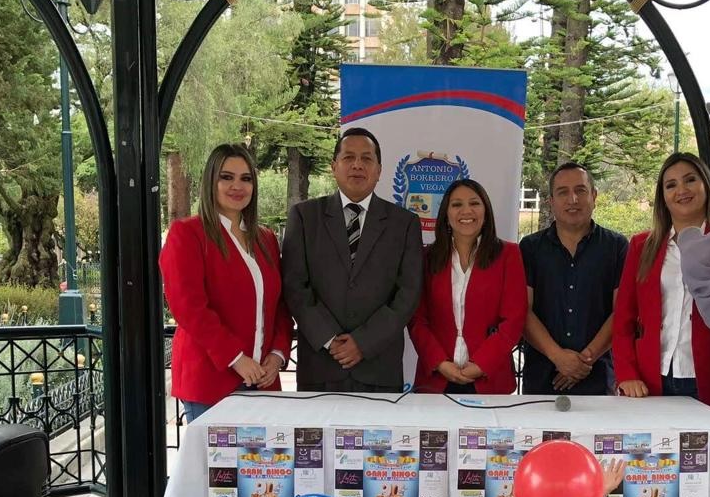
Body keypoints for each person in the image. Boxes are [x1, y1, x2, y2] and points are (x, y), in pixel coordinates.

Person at [282, 128, 423, 392]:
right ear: (334, 166)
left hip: (379, 369)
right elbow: (295, 287)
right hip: (321, 366)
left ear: (379, 170)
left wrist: (364, 342)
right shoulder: (304, 217)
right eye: (348, 157)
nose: (357, 165)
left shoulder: (404, 224)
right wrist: (330, 340)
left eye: (367, 159)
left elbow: (408, 293)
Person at [161, 143, 291, 424]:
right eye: (226, 177)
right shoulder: (188, 234)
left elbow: (280, 304)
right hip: (212, 381)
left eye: (246, 178)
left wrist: (277, 355)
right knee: (216, 469)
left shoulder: (265, 239)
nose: (237, 186)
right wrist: (236, 358)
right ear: (211, 181)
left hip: (263, 380)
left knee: (264, 468)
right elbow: (190, 308)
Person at [612, 153, 710, 406]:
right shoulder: (642, 246)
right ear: (663, 198)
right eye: (671, 185)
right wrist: (626, 374)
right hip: (649, 381)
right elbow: (624, 317)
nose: (682, 190)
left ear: (706, 185)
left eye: (690, 180)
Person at [407, 178, 527, 394]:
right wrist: (440, 363)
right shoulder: (426, 258)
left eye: (474, 203)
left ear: (486, 211)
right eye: (456, 205)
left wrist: (481, 364)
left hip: (489, 379)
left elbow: (514, 319)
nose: (466, 211)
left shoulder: (508, 255)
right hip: (436, 379)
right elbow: (417, 320)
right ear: (445, 213)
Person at [521, 162, 629, 395]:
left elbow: (621, 312)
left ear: (594, 195)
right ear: (551, 201)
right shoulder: (530, 248)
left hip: (598, 378)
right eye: (563, 192)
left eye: (580, 190)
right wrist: (558, 356)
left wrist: (583, 361)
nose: (573, 199)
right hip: (541, 378)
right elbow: (522, 311)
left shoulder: (616, 247)